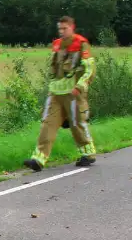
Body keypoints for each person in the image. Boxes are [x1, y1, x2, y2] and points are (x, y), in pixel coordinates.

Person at [23, 16, 96, 172]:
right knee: (48, 124)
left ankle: (87, 154)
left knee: (77, 124)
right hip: (56, 91)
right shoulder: (56, 45)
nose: (62, 32)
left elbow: (90, 69)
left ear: (72, 27)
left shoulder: (81, 44)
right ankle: (38, 159)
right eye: (60, 29)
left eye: (65, 28)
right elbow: (54, 69)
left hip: (73, 92)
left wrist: (80, 86)